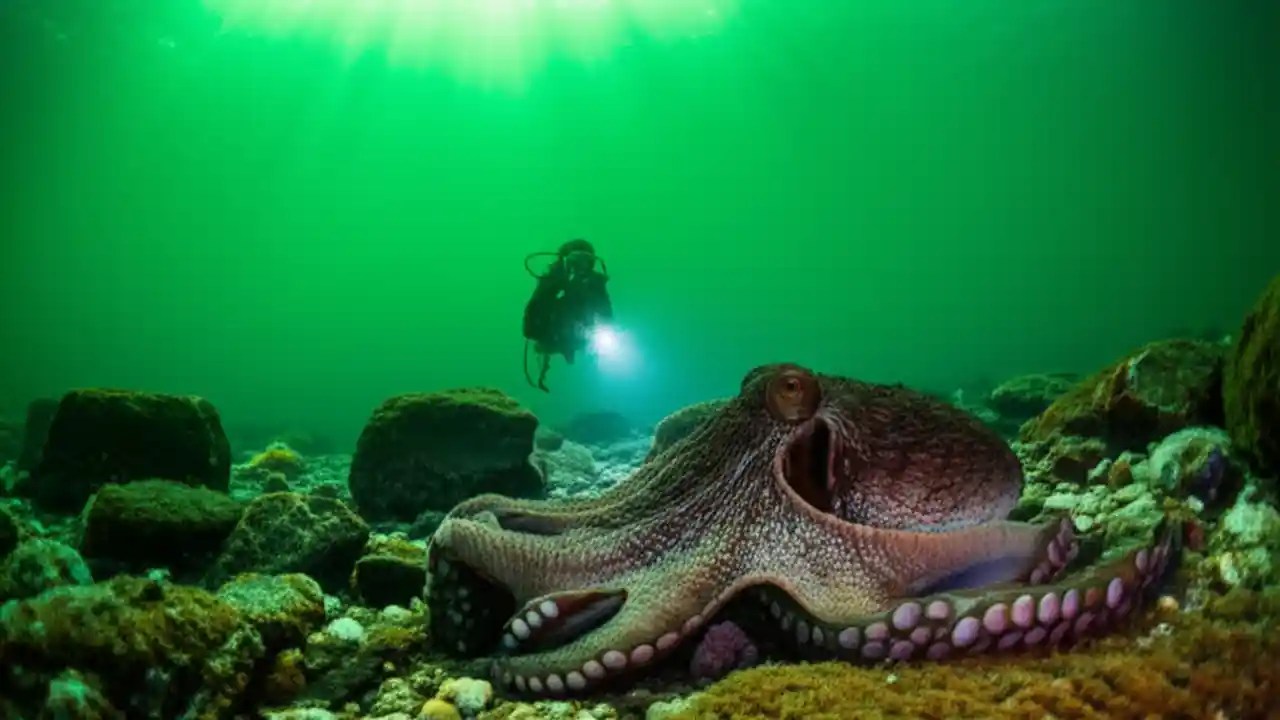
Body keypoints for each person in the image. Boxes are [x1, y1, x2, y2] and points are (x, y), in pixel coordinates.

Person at [522, 239, 613, 392]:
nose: (580, 266)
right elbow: (530, 327)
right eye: (575, 260)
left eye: (586, 261)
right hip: (551, 337)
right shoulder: (551, 281)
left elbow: (607, 318)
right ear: (564, 261)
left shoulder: (595, 284)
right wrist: (553, 287)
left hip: (581, 339)